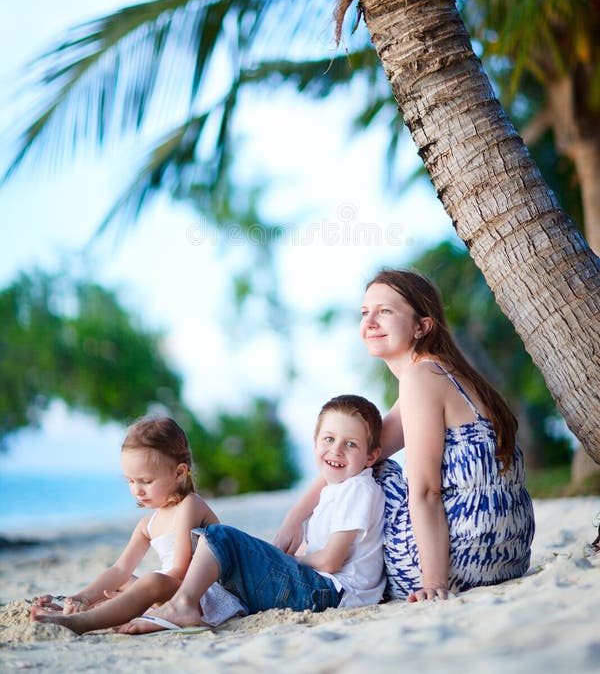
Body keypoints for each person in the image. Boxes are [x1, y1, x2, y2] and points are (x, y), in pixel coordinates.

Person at [275, 269, 535, 603]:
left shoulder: (421, 378)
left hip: (461, 559)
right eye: (365, 312)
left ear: (421, 326)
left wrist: (434, 582)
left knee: (374, 469)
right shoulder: (443, 372)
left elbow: (426, 491)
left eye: (384, 311)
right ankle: (319, 557)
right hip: (508, 553)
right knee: (361, 453)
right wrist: (294, 520)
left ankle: (325, 562)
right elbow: (365, 453)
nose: (370, 323)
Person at [119, 394, 386, 634]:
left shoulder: (357, 489)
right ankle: (165, 599)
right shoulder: (340, 487)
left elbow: (330, 561)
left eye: (351, 444)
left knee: (220, 537)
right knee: (226, 564)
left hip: (329, 593)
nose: (336, 450)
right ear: (315, 442)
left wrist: (287, 560)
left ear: (371, 456)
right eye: (329, 439)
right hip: (322, 588)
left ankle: (182, 605)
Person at [30, 416, 243, 634]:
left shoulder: (191, 505)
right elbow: (120, 569)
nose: (137, 490)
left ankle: (83, 621)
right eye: (130, 481)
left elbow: (181, 571)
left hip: (200, 593)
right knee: (121, 581)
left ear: (179, 473)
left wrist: (139, 594)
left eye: (146, 481)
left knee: (149, 582)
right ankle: (78, 607)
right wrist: (81, 597)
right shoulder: (147, 524)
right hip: (168, 587)